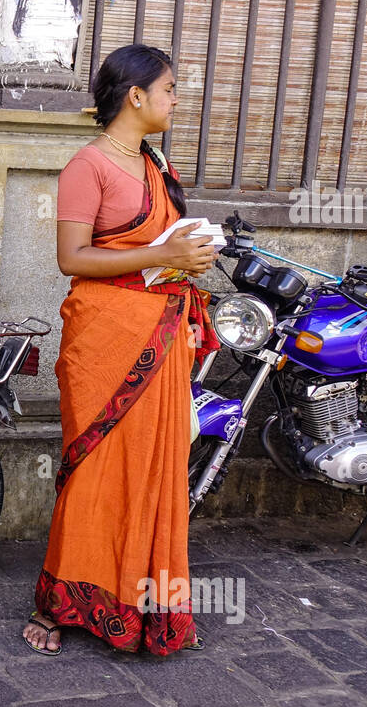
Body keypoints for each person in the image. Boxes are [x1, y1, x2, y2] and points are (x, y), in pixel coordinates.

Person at [22, 43, 220, 658]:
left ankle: (139, 607)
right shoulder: (90, 166)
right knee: (99, 468)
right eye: (168, 89)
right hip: (107, 341)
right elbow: (72, 259)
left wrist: (189, 256)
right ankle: (62, 605)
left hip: (160, 334)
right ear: (135, 96)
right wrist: (164, 255)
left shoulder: (154, 164)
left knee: (154, 470)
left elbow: (157, 247)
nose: (175, 100)